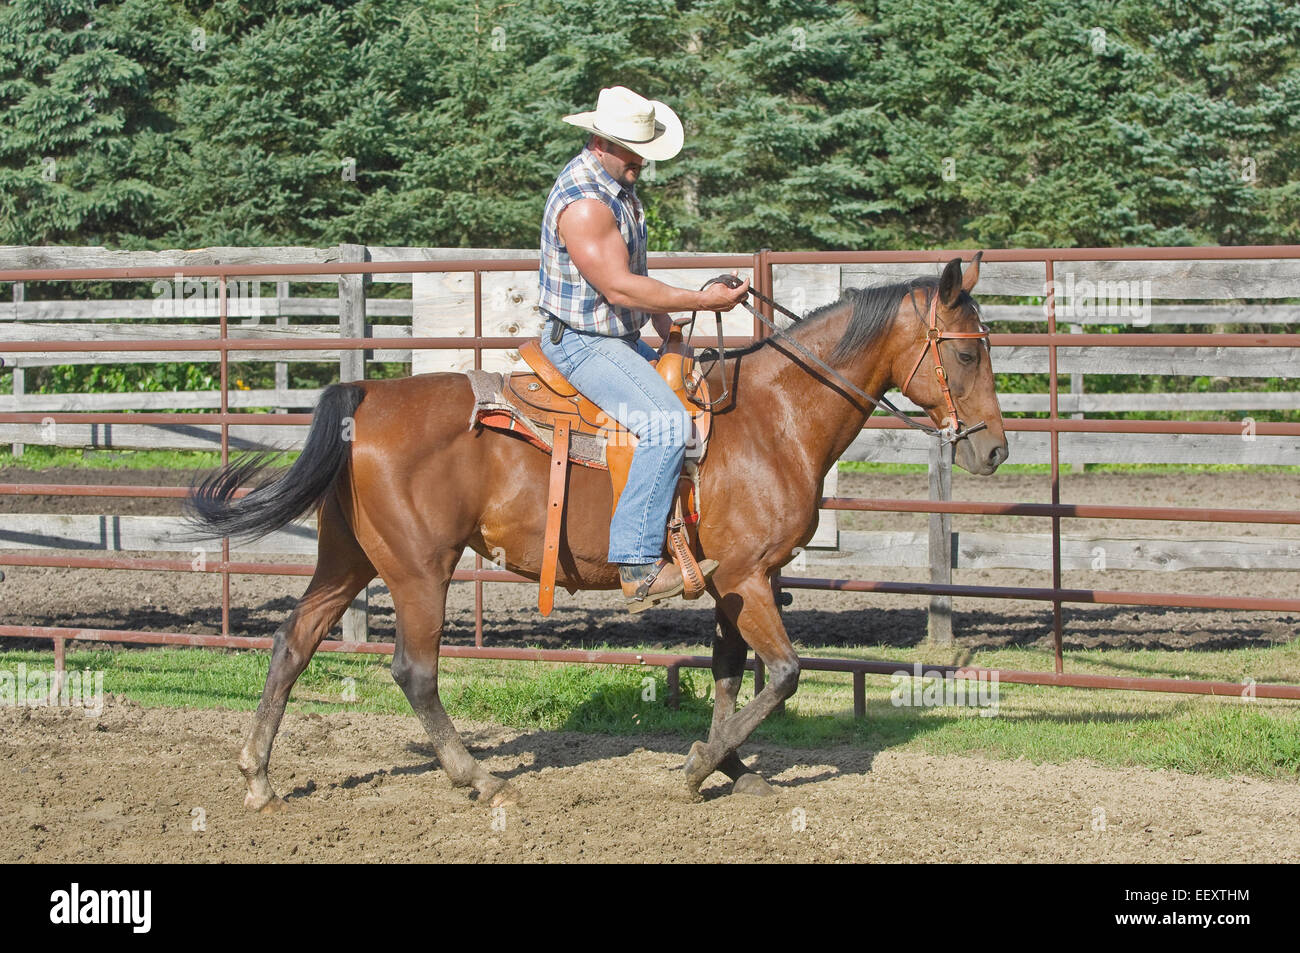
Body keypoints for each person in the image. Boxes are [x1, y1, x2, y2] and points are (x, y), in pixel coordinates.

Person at [537, 86, 749, 609]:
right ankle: (637, 565)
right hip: (584, 344)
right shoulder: (586, 202)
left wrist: (668, 324)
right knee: (668, 423)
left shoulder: (618, 187)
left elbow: (636, 279)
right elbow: (618, 287)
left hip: (618, 337)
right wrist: (703, 300)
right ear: (600, 140)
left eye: (643, 150)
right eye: (632, 150)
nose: (640, 162)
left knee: (702, 397)